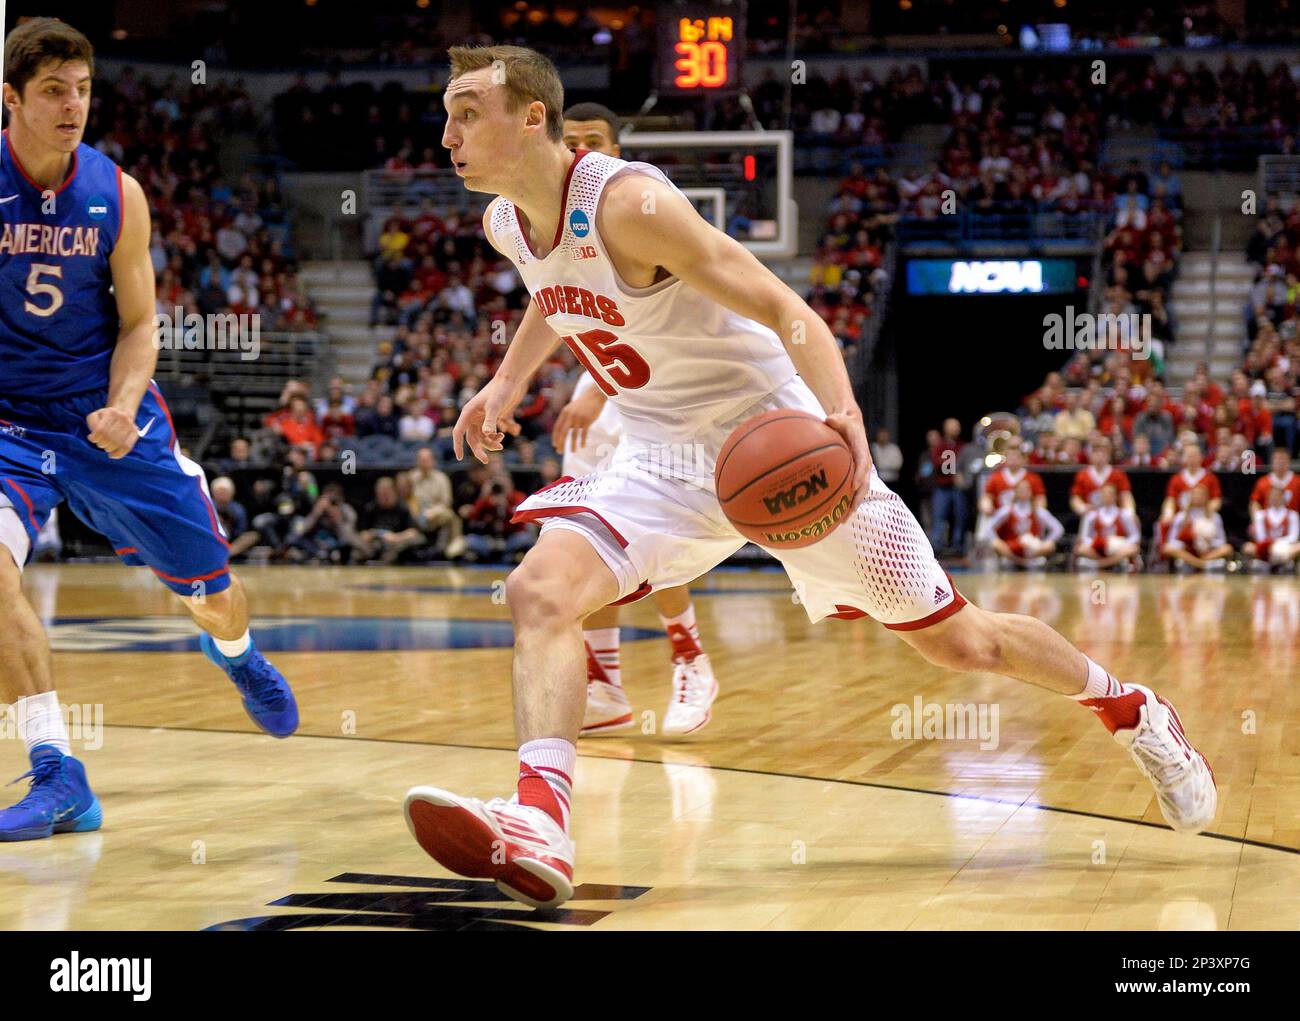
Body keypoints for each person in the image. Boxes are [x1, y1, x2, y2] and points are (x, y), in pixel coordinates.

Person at [402, 45, 1217, 910]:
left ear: (533, 117)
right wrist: (506, 379)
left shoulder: (632, 202)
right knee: (540, 592)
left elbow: (788, 310)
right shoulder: (506, 221)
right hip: (658, 458)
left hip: (773, 443)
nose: (447, 133)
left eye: (465, 111)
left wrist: (845, 416)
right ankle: (541, 821)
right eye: (448, 115)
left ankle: (1131, 708)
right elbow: (549, 287)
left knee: (959, 642)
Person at [0, 20, 298, 842]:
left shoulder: (116, 193)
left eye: (83, 89)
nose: (73, 106)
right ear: (12, 99)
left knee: (211, 592)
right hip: (9, 427)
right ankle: (60, 774)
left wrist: (126, 406)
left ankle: (237, 653)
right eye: (54, 90)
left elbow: (140, 324)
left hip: (104, 420)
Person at [547, 101, 719, 738]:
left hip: (665, 396)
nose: (585, 150)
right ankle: (607, 687)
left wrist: (595, 388)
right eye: (574, 141)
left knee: (647, 541)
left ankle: (690, 658)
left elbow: (660, 325)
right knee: (585, 531)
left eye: (596, 140)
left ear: (617, 149)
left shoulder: (645, 205)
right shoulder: (550, 221)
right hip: (610, 381)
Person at [986, 480, 1064, 569]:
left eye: (1026, 489)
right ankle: (1015, 560)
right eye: (1021, 489)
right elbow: (989, 527)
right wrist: (997, 541)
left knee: (1050, 546)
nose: (1023, 492)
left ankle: (1028, 560)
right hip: (1012, 547)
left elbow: (1058, 529)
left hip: (1032, 548)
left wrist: (1046, 542)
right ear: (1015, 492)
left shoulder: (1038, 511)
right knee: (995, 544)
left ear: (1031, 492)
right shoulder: (1007, 510)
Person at [1163, 484, 1233, 572]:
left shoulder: (1215, 517)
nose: (1197, 497)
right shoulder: (1181, 516)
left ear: (1206, 497)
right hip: (1188, 551)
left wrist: (1208, 540)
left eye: (1201, 494)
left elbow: (1222, 541)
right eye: (1195, 494)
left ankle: (1201, 561)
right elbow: (1172, 540)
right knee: (1167, 548)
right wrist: (1189, 539)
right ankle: (1200, 564)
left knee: (1227, 548)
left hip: (1208, 551)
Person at [1074, 483, 1142, 571]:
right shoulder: (1092, 515)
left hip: (1118, 548)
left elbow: (1135, 535)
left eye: (1110, 494)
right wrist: (1097, 542)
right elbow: (1084, 537)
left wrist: (1122, 542)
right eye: (1104, 494)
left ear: (1115, 496)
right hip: (1098, 548)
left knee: (1133, 548)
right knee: (1081, 548)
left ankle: (1097, 564)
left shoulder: (1124, 514)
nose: (1107, 496)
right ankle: (1113, 563)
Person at [1243, 485, 1300, 572]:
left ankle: (1277, 564)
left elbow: (1293, 537)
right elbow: (1261, 537)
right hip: (1266, 548)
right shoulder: (1260, 515)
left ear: (1283, 497)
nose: (1275, 498)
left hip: (1285, 546)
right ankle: (1280, 563)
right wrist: (1272, 545)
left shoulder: (1292, 515)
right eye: (1272, 495)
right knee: (1248, 547)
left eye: (1277, 495)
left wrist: (1278, 544)